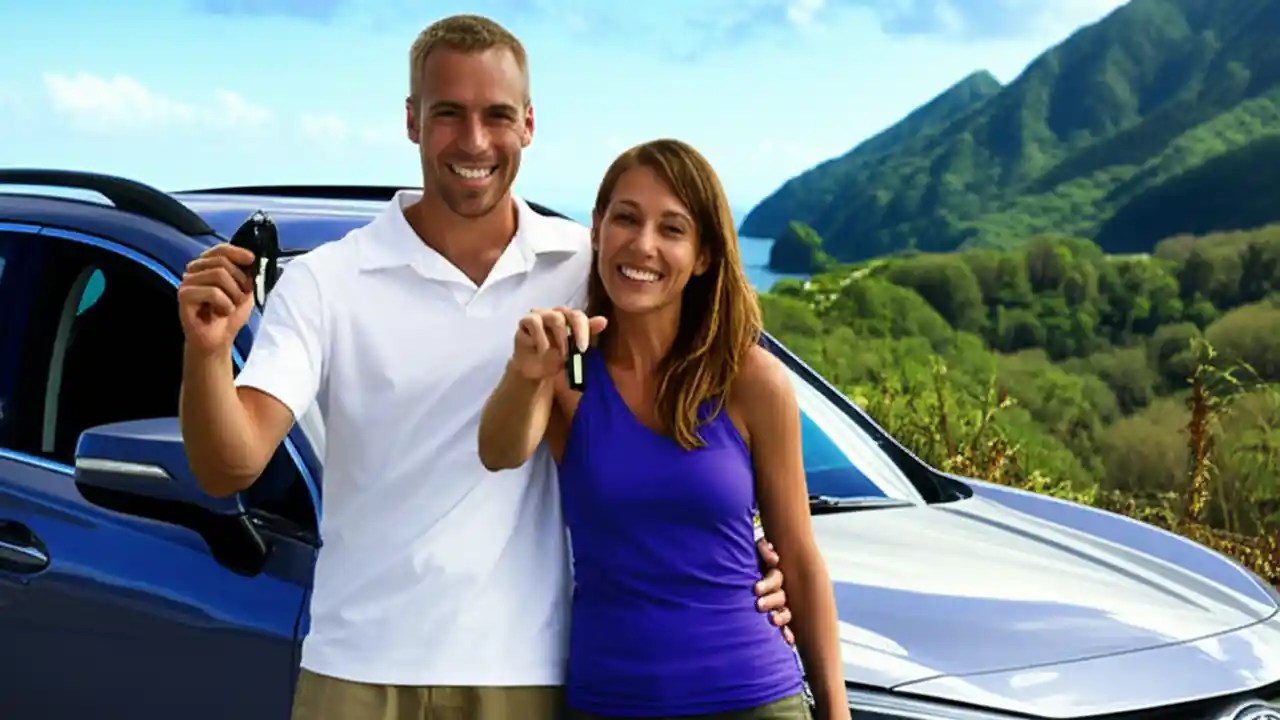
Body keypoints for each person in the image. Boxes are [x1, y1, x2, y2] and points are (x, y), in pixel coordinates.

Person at [175, 13, 794, 720]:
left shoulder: (589, 266)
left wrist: (757, 555)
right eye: (448, 114)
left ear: (528, 124)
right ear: (412, 121)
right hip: (357, 668)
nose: (474, 141)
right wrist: (209, 352)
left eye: (497, 115)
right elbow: (229, 467)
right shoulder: (328, 282)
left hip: (524, 673)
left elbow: (700, 387)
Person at [476, 138, 850, 720]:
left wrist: (836, 711)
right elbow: (499, 452)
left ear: (702, 255)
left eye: (672, 229)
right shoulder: (567, 374)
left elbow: (799, 558)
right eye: (626, 218)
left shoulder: (751, 379)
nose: (643, 245)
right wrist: (524, 374)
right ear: (597, 229)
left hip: (753, 697)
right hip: (609, 701)